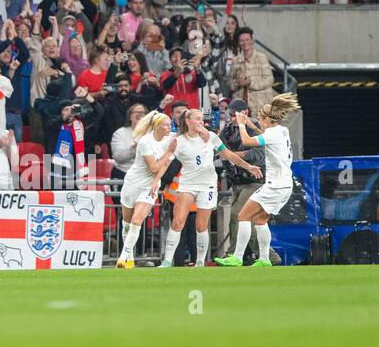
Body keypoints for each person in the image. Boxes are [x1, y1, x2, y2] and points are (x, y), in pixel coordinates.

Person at [161, 107, 262, 268]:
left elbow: (228, 154)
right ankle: (166, 261)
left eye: (202, 118)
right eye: (197, 118)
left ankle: (200, 262)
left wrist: (249, 167)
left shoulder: (211, 137)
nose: (201, 122)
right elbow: (165, 160)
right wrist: (154, 180)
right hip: (187, 184)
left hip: (207, 185)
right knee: (178, 221)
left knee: (201, 225)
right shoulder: (178, 141)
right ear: (188, 121)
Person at [216, 93, 298, 267]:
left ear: (266, 118)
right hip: (285, 184)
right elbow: (264, 134)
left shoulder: (272, 134)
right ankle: (264, 259)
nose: (259, 121)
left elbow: (247, 140)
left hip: (275, 185)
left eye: (260, 118)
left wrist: (241, 125)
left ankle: (237, 257)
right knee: (260, 220)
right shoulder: (282, 130)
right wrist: (250, 123)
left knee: (243, 216)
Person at [115, 98, 176, 268]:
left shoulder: (170, 138)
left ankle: (123, 257)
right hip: (133, 183)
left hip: (148, 187)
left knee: (137, 221)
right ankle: (130, 258)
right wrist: (168, 153)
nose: (169, 127)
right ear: (156, 126)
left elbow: (163, 167)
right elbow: (155, 166)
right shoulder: (145, 142)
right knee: (127, 223)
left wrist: (156, 182)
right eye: (166, 124)